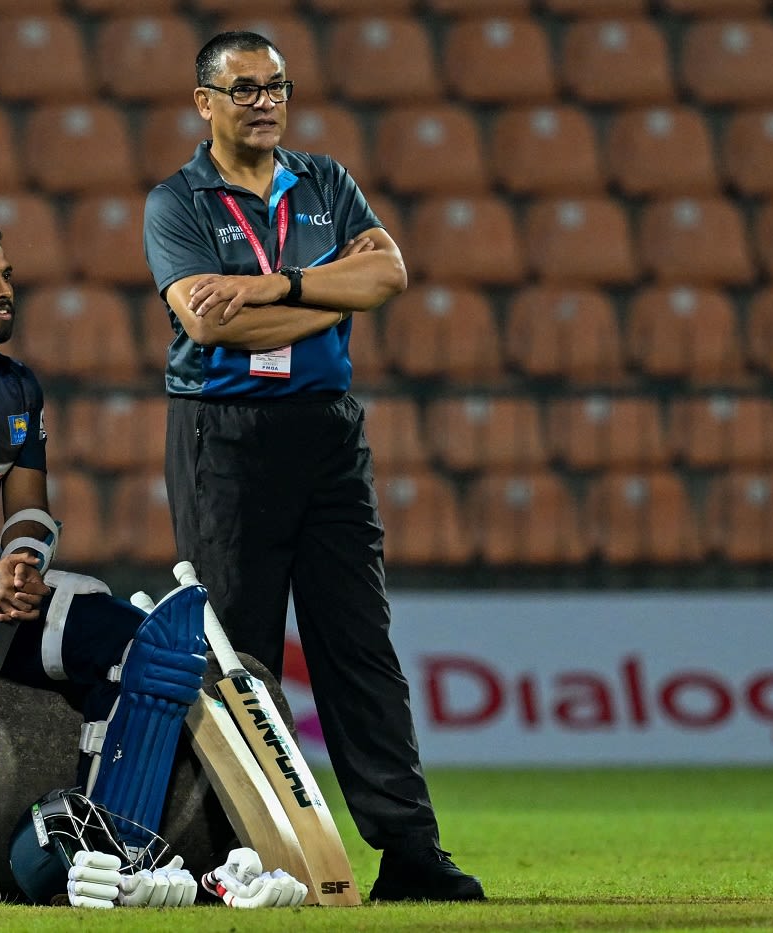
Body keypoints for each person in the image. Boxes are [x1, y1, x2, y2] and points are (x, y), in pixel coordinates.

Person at [0, 221, 299, 909]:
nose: (5, 290)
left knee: (148, 643)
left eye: (6, 274)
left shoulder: (17, 389)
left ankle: (106, 861)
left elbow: (30, 507)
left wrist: (19, 560)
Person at [141, 31, 486, 903]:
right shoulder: (177, 203)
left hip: (329, 436)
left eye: (278, 87)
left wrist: (272, 287)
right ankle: (228, 855)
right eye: (245, 88)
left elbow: (391, 274)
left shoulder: (325, 180)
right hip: (224, 436)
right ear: (204, 104)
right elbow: (211, 327)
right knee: (236, 657)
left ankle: (409, 850)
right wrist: (327, 294)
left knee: (358, 644)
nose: (265, 102)